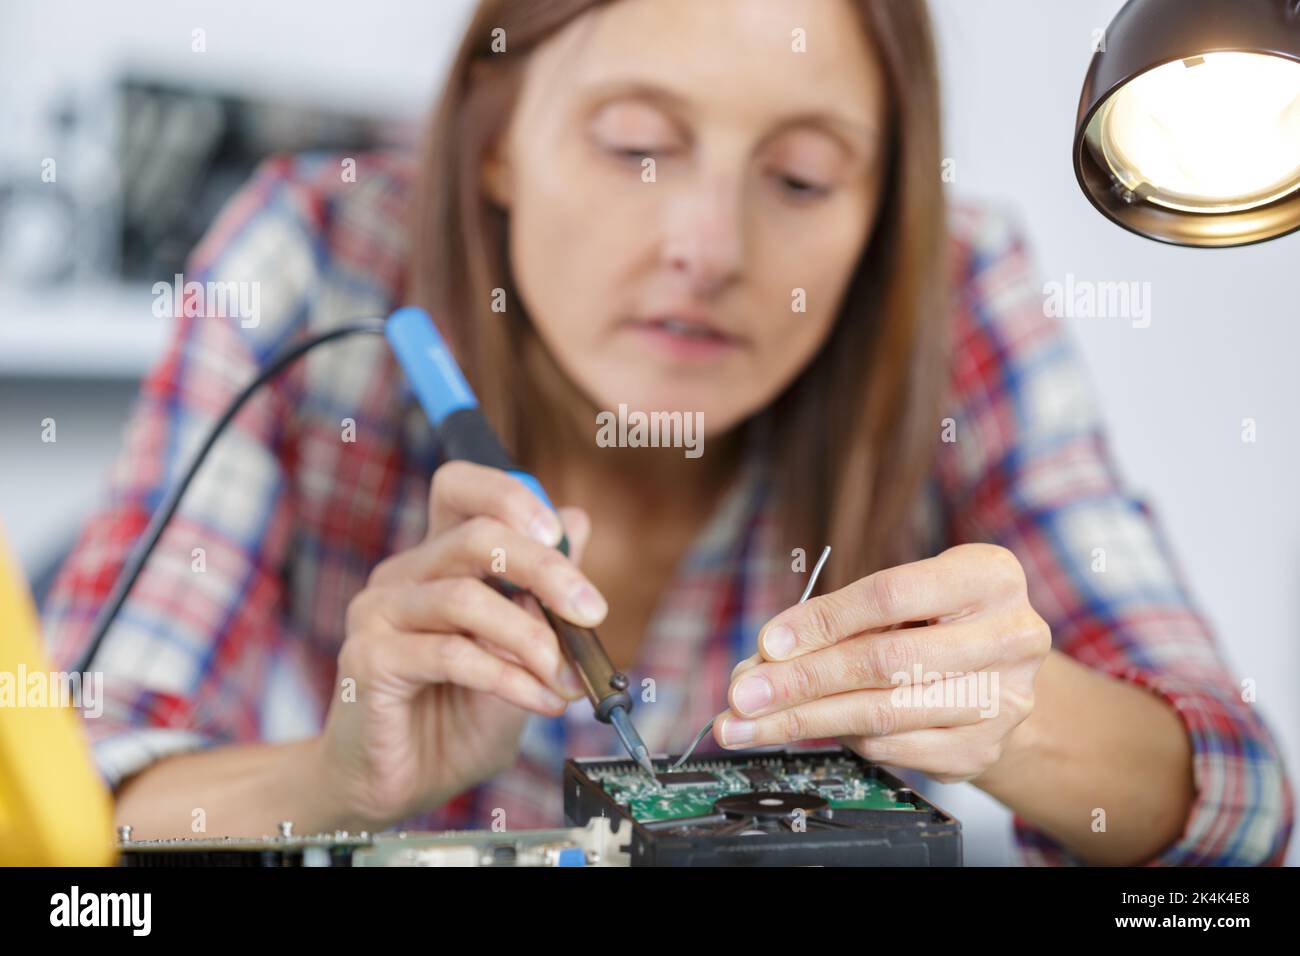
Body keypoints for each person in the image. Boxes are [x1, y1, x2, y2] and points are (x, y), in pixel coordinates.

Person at [45, 0, 1292, 865]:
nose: (708, 246)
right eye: (638, 147)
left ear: (883, 208)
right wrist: (331, 785)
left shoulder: (953, 292)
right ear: (493, 142)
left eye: (802, 177)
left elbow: (1241, 810)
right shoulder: (305, 259)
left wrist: (1021, 715)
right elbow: (62, 802)